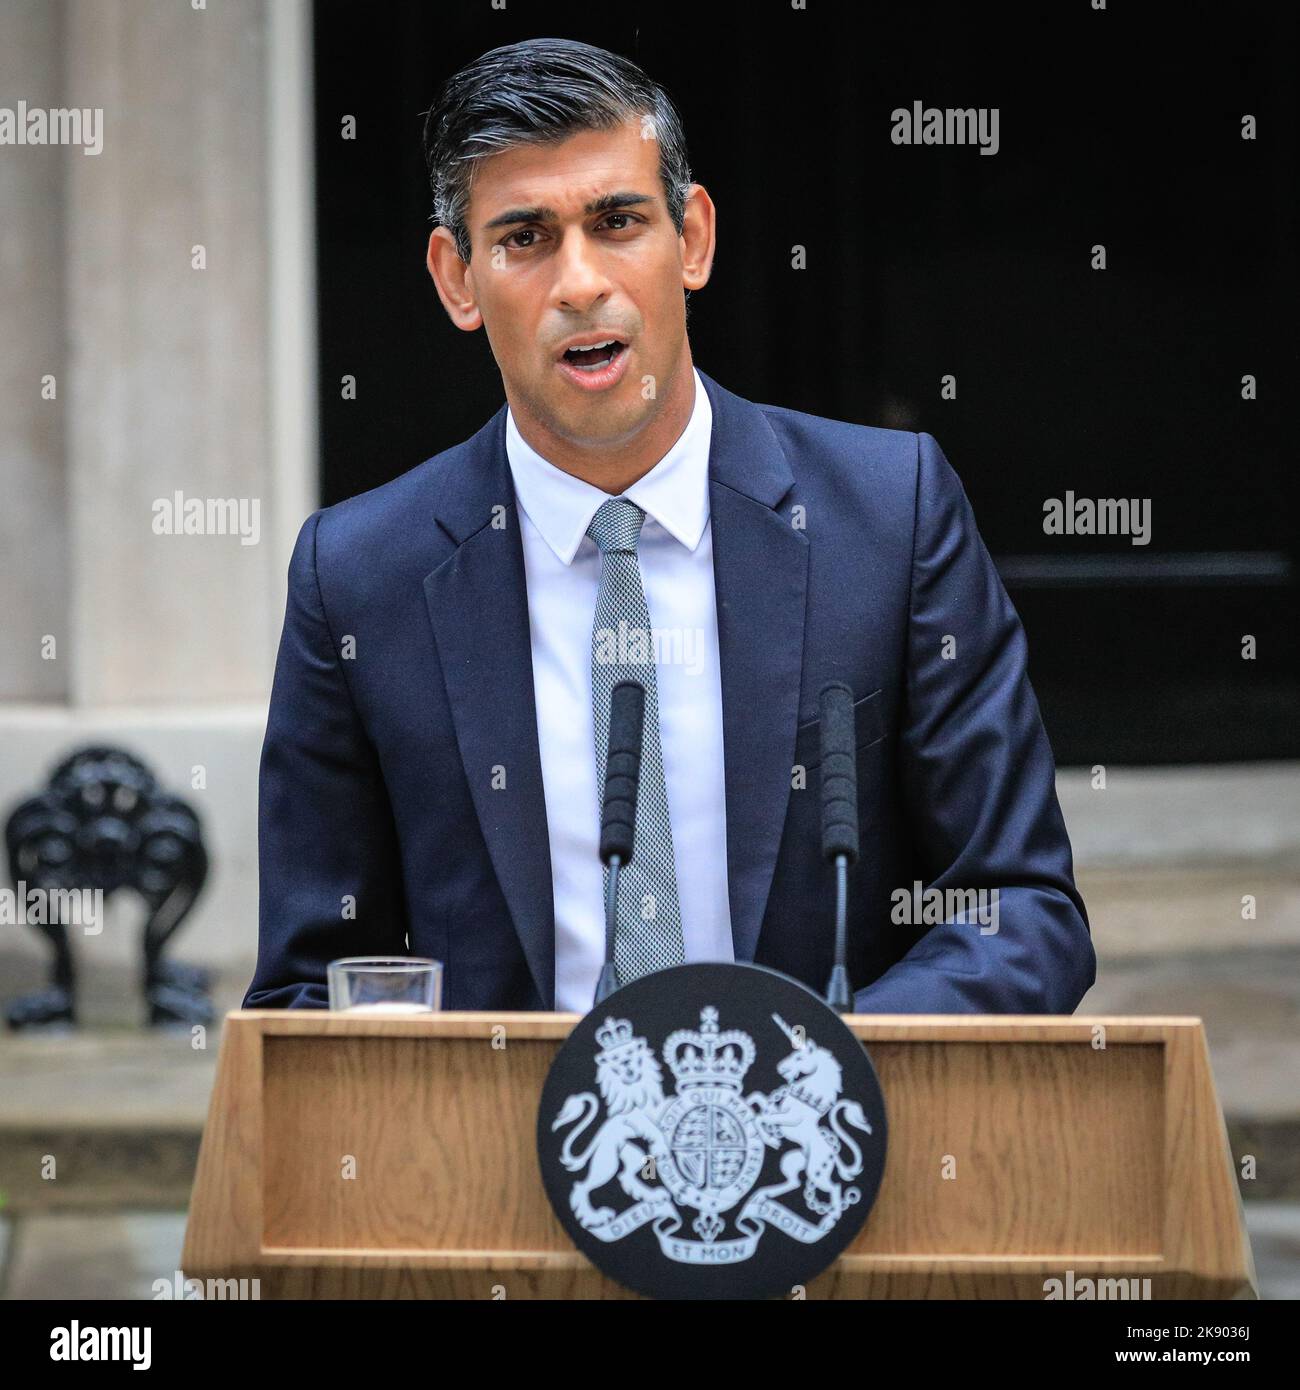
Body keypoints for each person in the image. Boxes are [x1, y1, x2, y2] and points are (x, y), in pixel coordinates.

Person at [244, 37, 1094, 1014]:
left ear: (691, 239)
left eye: (617, 221)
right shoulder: (355, 575)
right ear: (457, 278)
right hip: (508, 1159)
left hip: (832, 1141)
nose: (579, 283)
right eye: (524, 237)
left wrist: (807, 1083)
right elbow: (309, 992)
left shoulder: (889, 514)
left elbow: (1018, 910)